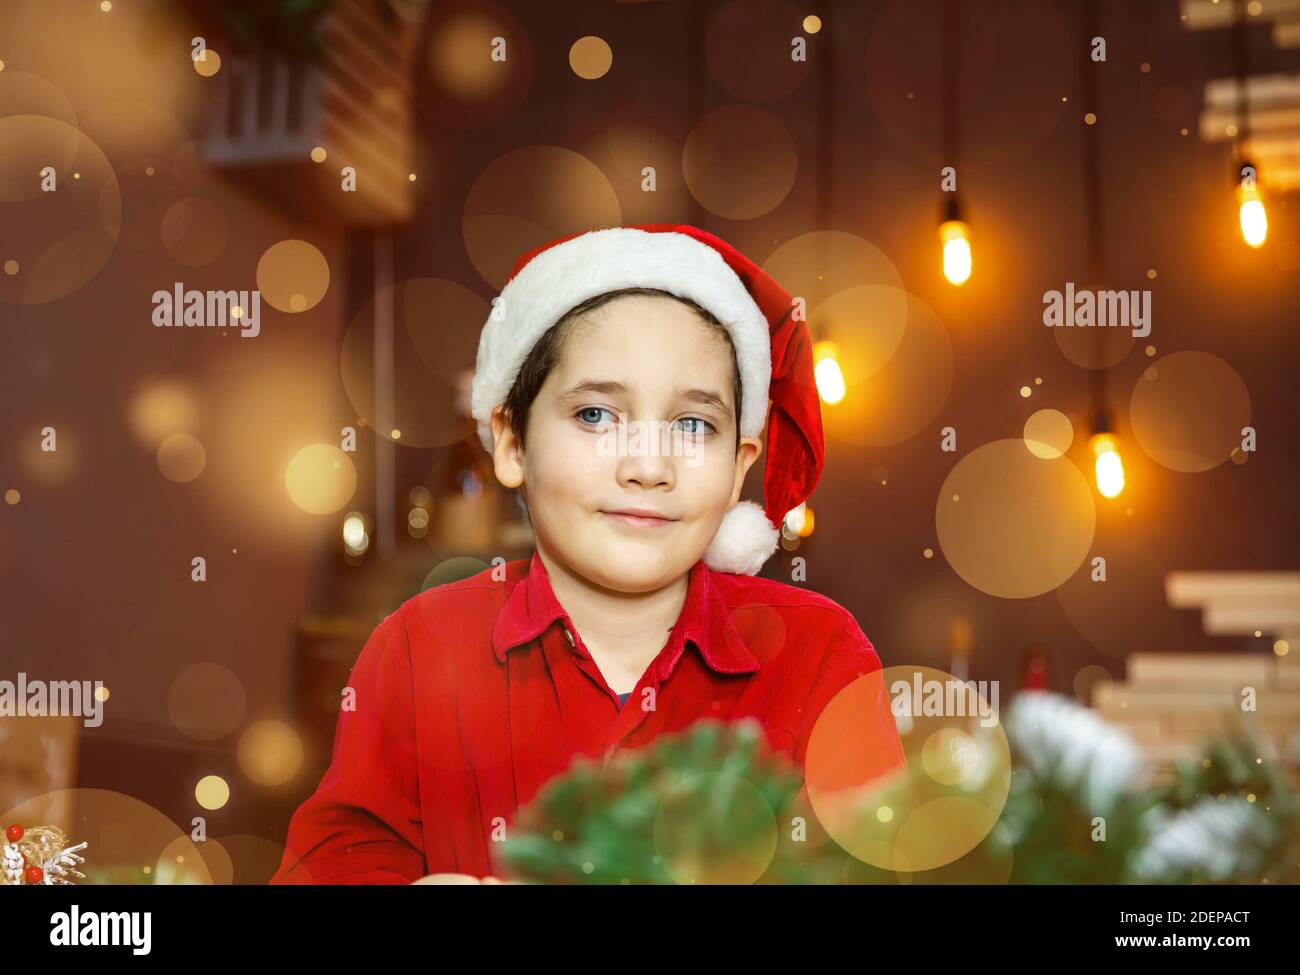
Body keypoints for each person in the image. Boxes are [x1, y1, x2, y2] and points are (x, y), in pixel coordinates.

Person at [270, 224, 905, 884]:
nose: (648, 465)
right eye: (597, 415)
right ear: (511, 442)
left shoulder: (822, 654)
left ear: (739, 467)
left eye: (694, 425)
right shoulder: (415, 647)